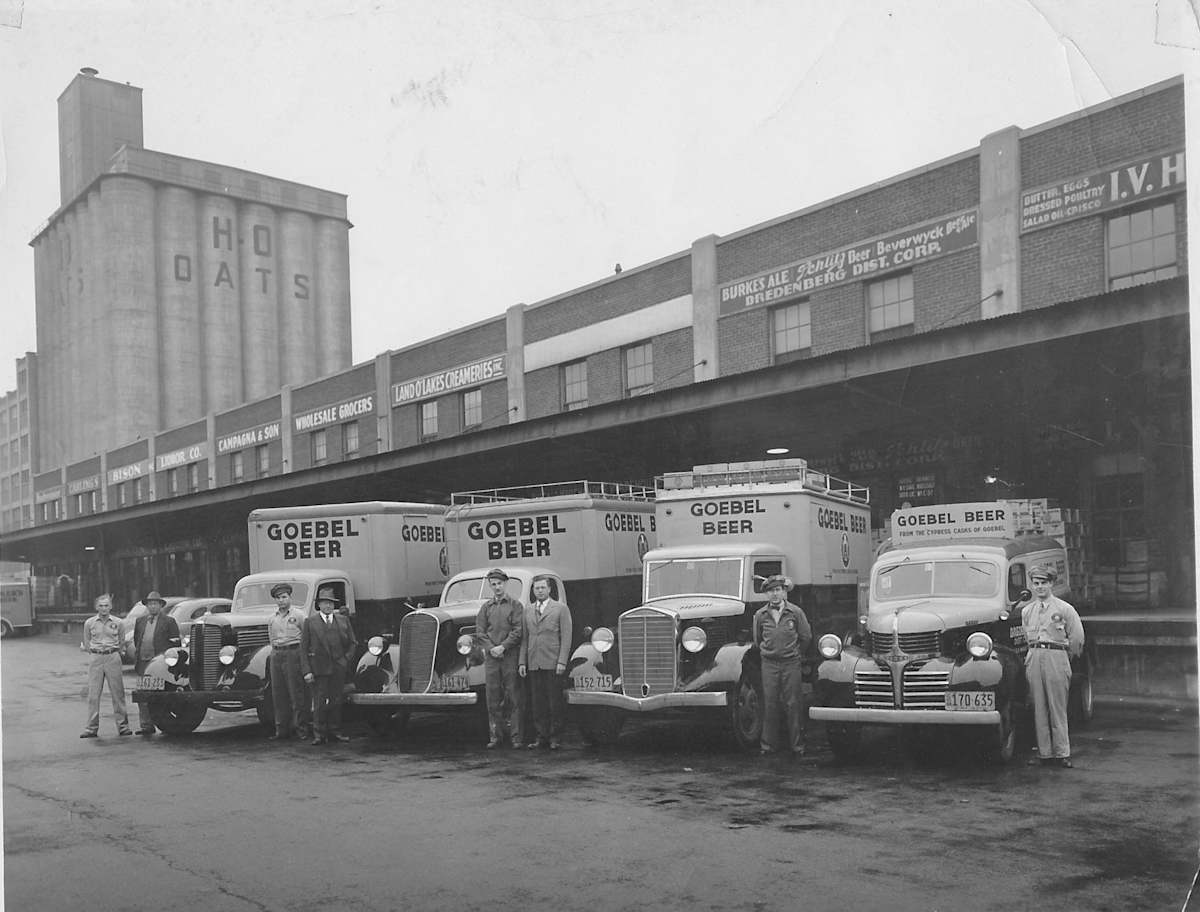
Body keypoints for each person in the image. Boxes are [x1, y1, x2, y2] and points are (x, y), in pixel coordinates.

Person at [1022, 565, 1085, 768]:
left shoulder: (1064, 609)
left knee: (1057, 706)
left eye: (1044, 583)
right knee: (1039, 707)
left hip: (1056, 656)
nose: (1040, 587)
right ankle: (1045, 753)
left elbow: (1077, 638)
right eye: (1036, 583)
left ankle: (1062, 753)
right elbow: (1027, 636)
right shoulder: (1027, 611)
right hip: (1035, 655)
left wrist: (1065, 657)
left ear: (1051, 584)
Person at [752, 575, 811, 758]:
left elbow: (806, 637)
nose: (775, 594)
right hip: (769, 664)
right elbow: (758, 640)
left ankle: (797, 746)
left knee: (793, 703)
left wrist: (795, 654)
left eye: (778, 590)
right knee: (770, 703)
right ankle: (768, 745)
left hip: (791, 663)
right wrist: (770, 652)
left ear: (784, 592)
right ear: (766, 594)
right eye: (771, 591)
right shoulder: (760, 615)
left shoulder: (795, 612)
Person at [519, 575, 573, 750]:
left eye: (543, 587)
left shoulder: (560, 609)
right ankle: (541, 736)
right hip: (534, 662)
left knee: (554, 701)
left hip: (553, 661)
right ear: (533, 590)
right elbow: (525, 639)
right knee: (538, 702)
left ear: (549, 589)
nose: (540, 591)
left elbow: (566, 637)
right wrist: (522, 662)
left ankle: (555, 737)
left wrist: (562, 661)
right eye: (537, 588)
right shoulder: (527, 610)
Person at [300, 586, 357, 745]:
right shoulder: (310, 622)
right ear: (319, 605)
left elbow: (353, 643)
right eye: (325, 603)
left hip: (338, 667)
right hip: (319, 669)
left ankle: (335, 731)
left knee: (336, 701)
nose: (328, 606)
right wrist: (307, 671)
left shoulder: (343, 620)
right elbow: (303, 649)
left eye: (331, 603)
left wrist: (346, 660)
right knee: (319, 702)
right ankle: (319, 734)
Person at [475, 568, 524, 749]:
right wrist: (491, 649)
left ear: (506, 584)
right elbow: (480, 632)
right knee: (492, 697)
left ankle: (516, 738)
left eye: (500, 583)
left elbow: (518, 630)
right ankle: (496, 736)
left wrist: (503, 647)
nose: (497, 587)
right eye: (493, 584)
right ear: (490, 586)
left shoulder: (515, 606)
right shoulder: (486, 608)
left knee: (514, 696)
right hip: (492, 659)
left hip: (510, 656)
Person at [80, 593, 132, 738]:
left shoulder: (119, 623)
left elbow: (122, 641)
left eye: (106, 605)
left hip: (112, 656)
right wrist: (95, 653)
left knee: (118, 693)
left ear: (111, 607)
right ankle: (91, 728)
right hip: (96, 657)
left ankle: (123, 727)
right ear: (96, 607)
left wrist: (114, 652)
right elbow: (87, 642)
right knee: (93, 694)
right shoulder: (89, 623)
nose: (104, 608)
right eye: (101, 606)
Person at [131, 591, 181, 735]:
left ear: (160, 606)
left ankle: (164, 724)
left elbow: (175, 644)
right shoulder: (140, 621)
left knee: (159, 695)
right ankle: (146, 726)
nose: (152, 606)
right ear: (146, 606)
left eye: (155, 604)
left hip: (160, 666)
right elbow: (137, 640)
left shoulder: (169, 621)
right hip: (143, 663)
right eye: (150, 604)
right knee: (142, 695)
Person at [267, 582, 311, 741]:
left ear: (290, 598)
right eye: (278, 598)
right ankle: (281, 730)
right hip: (277, 654)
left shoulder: (299, 615)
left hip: (293, 653)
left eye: (284, 597)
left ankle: (301, 729)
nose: (281, 600)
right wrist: (275, 652)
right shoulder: (272, 618)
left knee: (296, 693)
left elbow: (307, 636)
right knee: (278, 694)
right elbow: (271, 638)